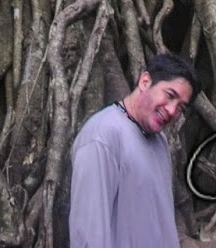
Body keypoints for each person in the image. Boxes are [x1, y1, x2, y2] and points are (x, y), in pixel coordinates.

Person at [68, 51, 200, 248]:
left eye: (181, 107)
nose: (172, 111)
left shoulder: (160, 142)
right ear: (145, 81)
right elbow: (88, 234)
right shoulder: (102, 137)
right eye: (170, 95)